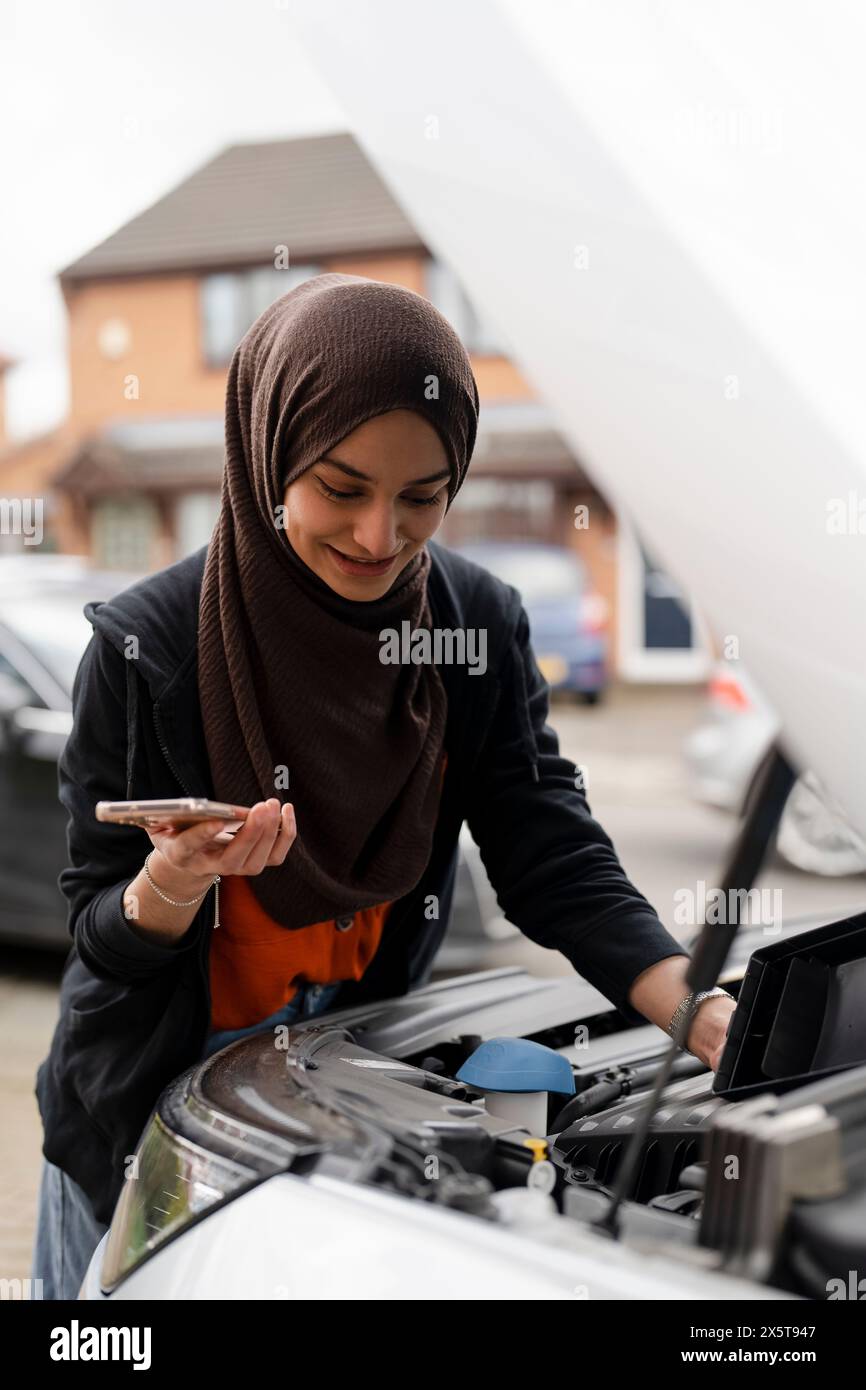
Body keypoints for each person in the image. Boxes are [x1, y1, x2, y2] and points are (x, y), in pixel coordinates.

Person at [31, 272, 735, 1298]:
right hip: (147, 1107)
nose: (378, 538)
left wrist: (693, 1008)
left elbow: (547, 845)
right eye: (342, 488)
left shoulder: (472, 626)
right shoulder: (147, 650)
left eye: (422, 497)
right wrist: (175, 885)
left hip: (344, 1087)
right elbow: (98, 930)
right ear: (269, 453)